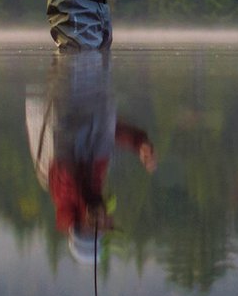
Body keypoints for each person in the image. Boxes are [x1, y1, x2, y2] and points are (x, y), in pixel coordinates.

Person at [25, 49, 156, 264]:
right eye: (106, 225)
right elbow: (104, 137)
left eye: (96, 227)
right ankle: (91, 47)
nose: (105, 220)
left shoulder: (64, 195)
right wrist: (138, 142)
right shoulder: (94, 189)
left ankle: (79, 46)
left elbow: (65, 166)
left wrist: (87, 206)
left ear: (79, 226)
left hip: (57, 92)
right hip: (80, 90)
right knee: (100, 120)